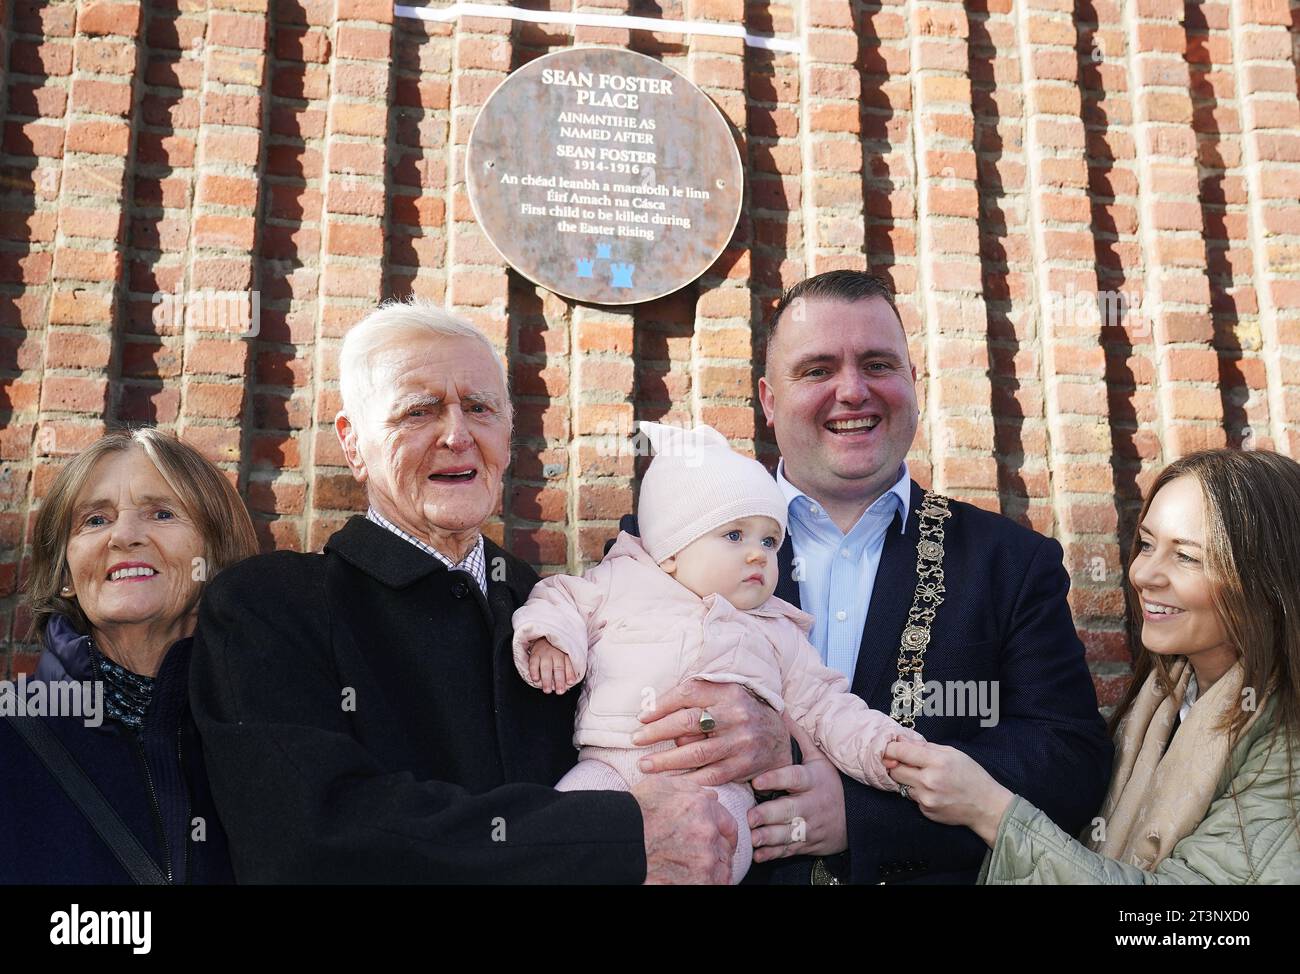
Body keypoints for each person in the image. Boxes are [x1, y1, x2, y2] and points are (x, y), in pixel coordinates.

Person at [189, 299, 793, 884]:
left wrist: (764, 742)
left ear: (509, 433)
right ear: (353, 442)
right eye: (419, 411)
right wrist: (610, 837)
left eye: (480, 408)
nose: (457, 435)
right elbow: (309, 838)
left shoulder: (562, 605)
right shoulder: (270, 606)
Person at [618, 270, 1113, 883]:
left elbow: (1070, 763)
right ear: (769, 400)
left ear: (914, 384)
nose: (852, 391)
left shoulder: (1011, 564)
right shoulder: (674, 539)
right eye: (818, 370)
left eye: (878, 364)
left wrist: (867, 815)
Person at [514, 421, 925, 883]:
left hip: (719, 787)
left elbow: (826, 705)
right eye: (734, 536)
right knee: (567, 833)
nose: (758, 556)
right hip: (609, 765)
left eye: (769, 541)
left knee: (721, 849)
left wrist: (884, 748)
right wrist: (550, 638)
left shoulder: (776, 628)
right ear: (671, 549)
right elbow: (560, 598)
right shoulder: (619, 582)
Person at [884, 448, 1300, 883]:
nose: (1143, 575)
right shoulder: (1163, 699)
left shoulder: (1284, 742)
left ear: (1267, 580)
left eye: (1186, 556)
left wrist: (989, 809)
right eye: (1147, 544)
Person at [0, 428, 258, 883]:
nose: (124, 536)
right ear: (65, 573)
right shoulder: (12, 736)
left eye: (161, 513)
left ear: (216, 555)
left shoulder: (275, 738)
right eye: (95, 521)